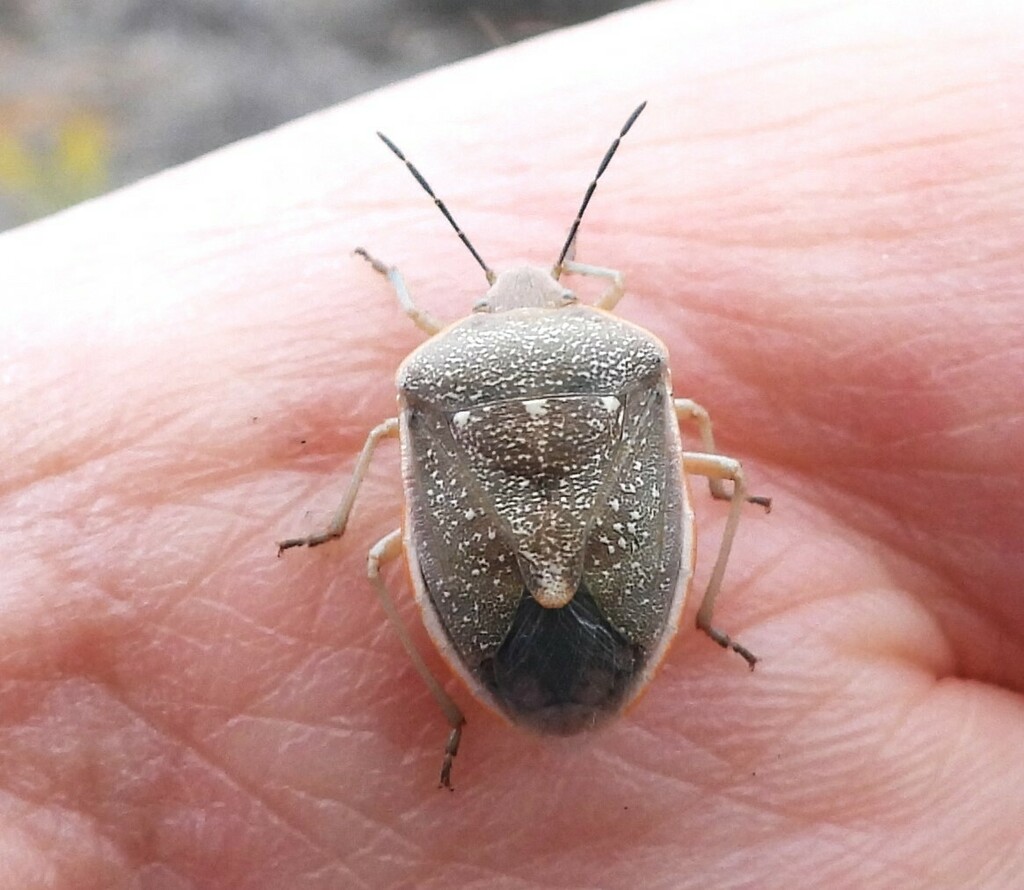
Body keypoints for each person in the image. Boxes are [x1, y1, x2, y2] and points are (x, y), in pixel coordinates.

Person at [1, 2, 1021, 886]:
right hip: (622, 537)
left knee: (373, 556)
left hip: (482, 594)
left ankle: (454, 711)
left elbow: (396, 402)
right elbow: (694, 420)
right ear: (588, 306)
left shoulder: (433, 378)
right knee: (727, 471)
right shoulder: (627, 357)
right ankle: (704, 620)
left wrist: (394, 290)